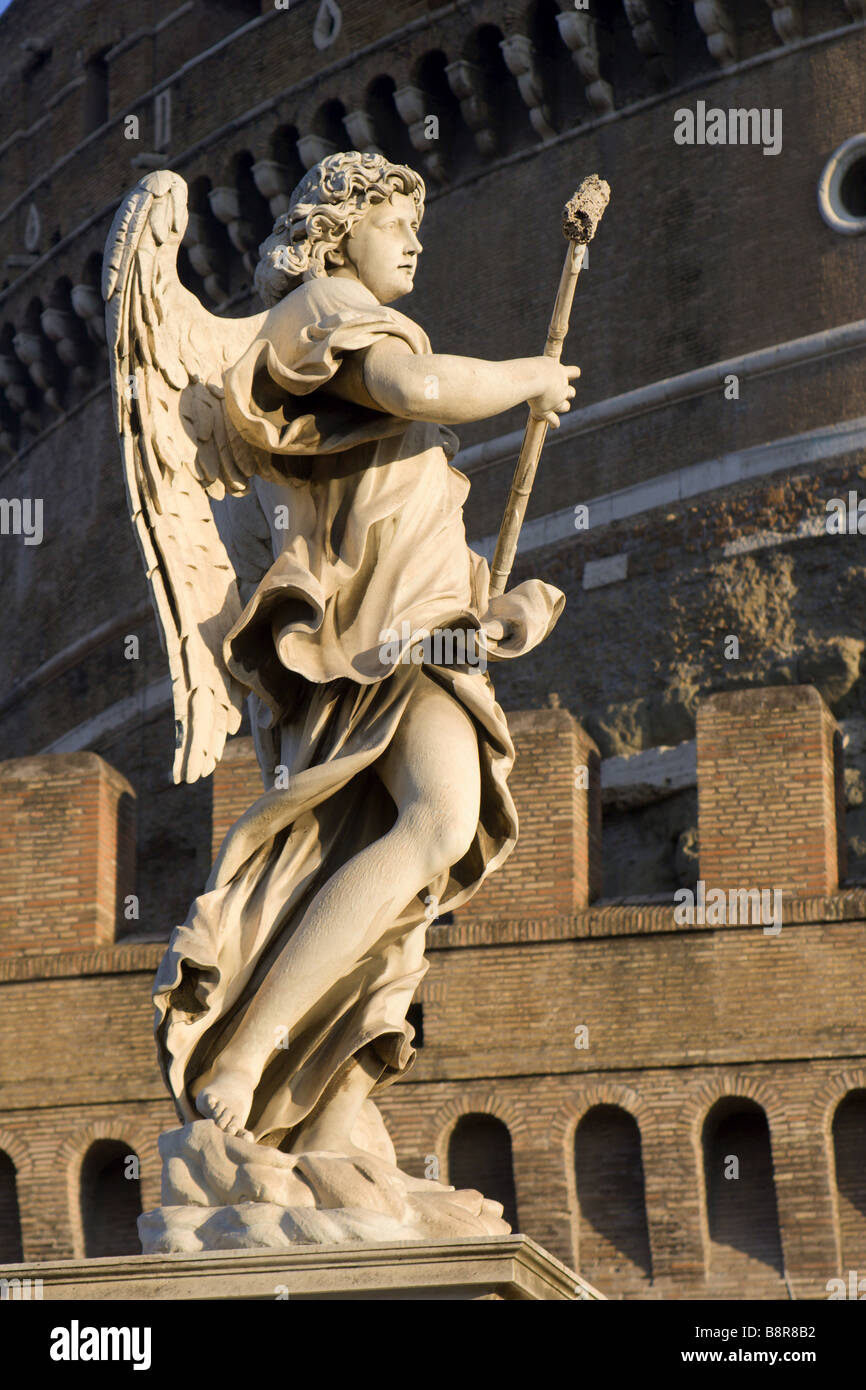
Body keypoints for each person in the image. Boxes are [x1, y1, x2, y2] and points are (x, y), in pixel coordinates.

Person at [153, 151, 577, 1157]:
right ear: (336, 235)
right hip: (373, 640)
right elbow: (418, 384)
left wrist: (498, 610)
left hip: (418, 625)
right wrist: (525, 378)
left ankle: (328, 1112)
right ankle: (250, 1051)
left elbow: (408, 524)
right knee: (435, 826)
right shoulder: (322, 314)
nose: (416, 241)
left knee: (402, 878)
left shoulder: (371, 359)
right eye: (396, 223)